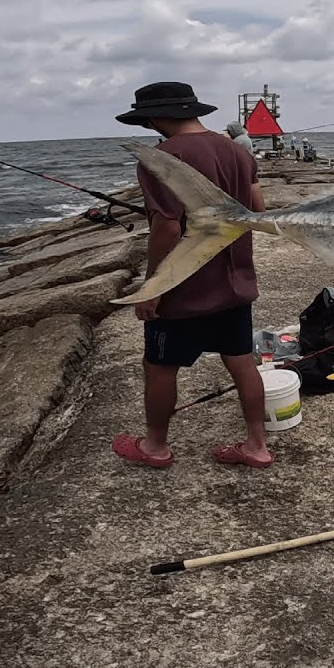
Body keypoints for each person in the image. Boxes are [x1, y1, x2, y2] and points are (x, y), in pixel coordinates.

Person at [110, 81, 274, 470]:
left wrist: (153, 288)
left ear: (157, 117)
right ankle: (257, 446)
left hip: (185, 289)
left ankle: (155, 446)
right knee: (241, 361)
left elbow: (166, 229)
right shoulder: (236, 150)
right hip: (235, 285)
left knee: (160, 365)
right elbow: (258, 210)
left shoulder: (160, 159)